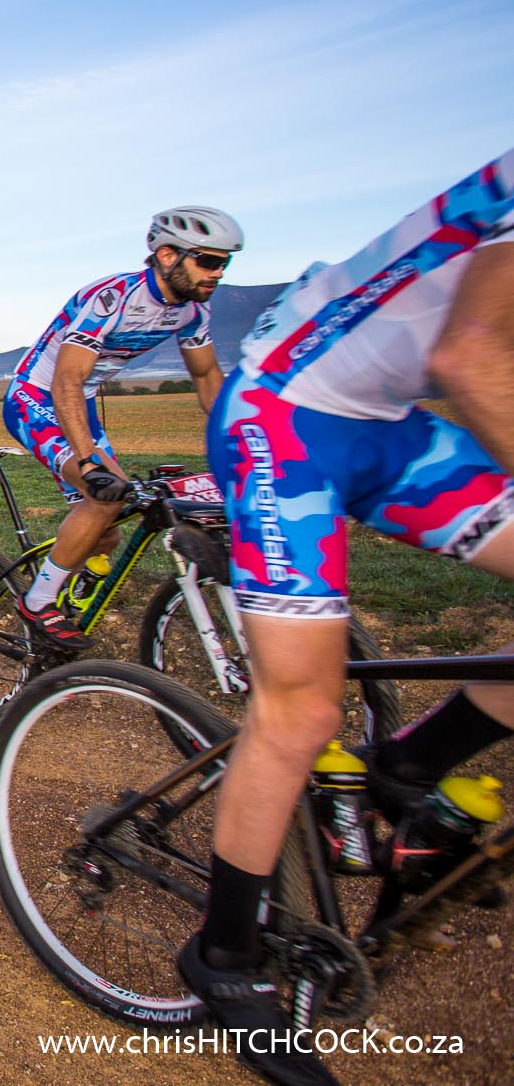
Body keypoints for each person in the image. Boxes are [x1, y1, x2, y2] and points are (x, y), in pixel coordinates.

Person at [179, 148, 514, 1086]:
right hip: (287, 420)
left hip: (391, 423)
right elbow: (473, 356)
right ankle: (226, 953)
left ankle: (408, 765)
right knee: (303, 708)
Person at [3, 206, 241, 649]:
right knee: (104, 491)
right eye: (208, 261)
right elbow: (67, 379)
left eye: (226, 262)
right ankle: (36, 603)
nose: (219, 273)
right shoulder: (112, 298)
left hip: (82, 404)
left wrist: (244, 448)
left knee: (108, 526)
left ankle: (80, 575)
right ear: (168, 255)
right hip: (37, 398)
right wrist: (89, 460)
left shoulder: (191, 313)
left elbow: (208, 381)